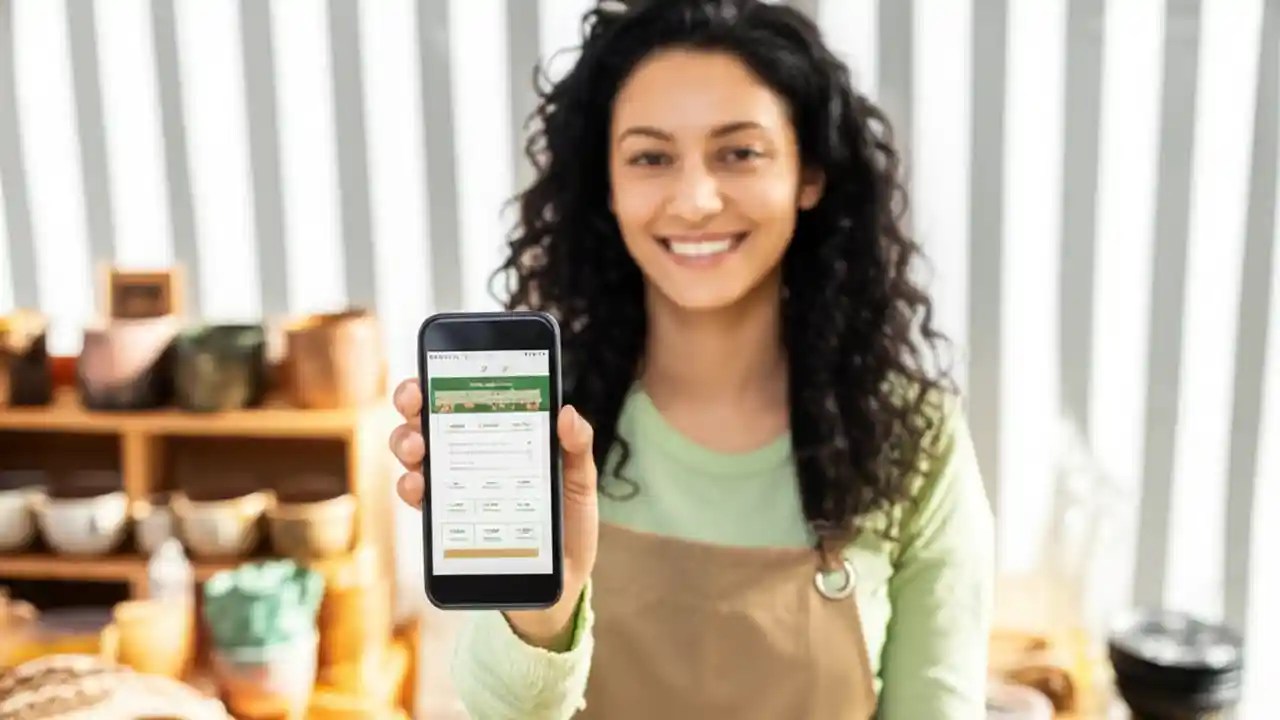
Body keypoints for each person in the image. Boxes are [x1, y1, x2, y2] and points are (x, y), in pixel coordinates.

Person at [388, 1, 994, 717]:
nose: (696, 199)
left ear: (810, 174)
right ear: (606, 188)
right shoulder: (549, 425)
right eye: (651, 157)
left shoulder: (911, 437)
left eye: (739, 152)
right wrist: (542, 614)